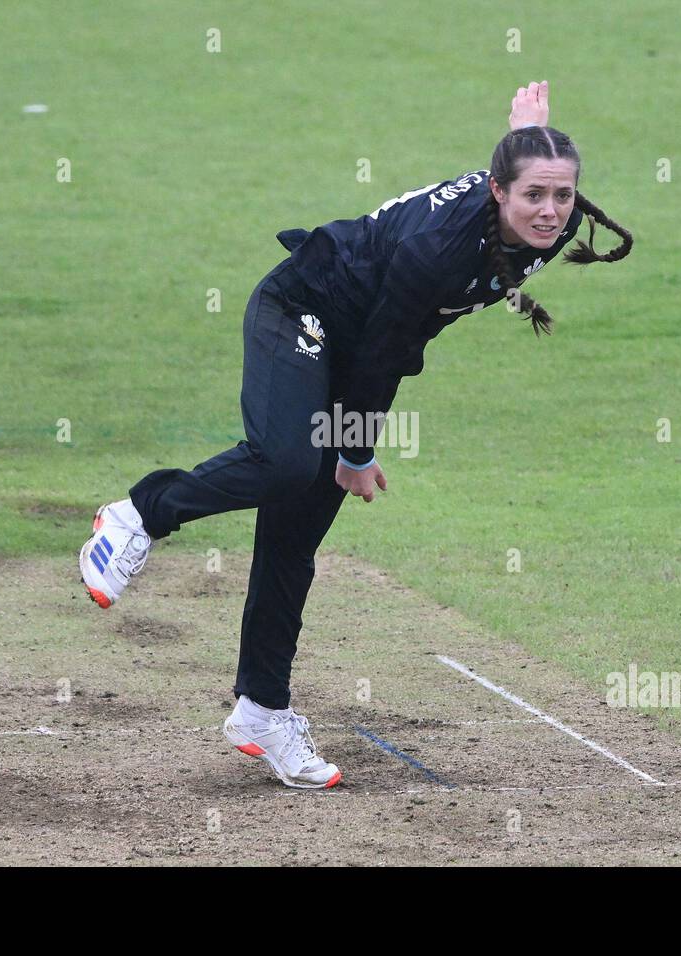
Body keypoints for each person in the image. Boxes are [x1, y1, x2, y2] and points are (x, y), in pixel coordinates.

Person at [79, 81, 633, 789]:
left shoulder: (540, 222)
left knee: (294, 536)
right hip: (302, 310)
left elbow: (383, 348)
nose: (551, 211)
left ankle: (261, 709)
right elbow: (382, 355)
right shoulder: (437, 252)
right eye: (534, 195)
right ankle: (139, 513)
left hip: (357, 344)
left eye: (562, 195)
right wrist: (356, 453)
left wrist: (531, 131)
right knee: (286, 465)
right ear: (499, 191)